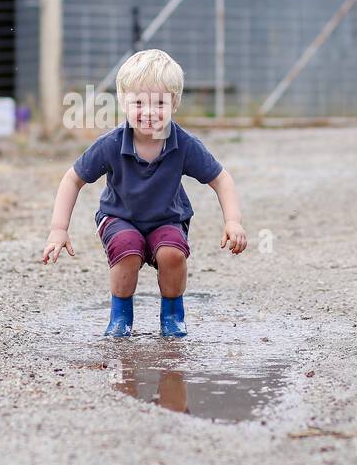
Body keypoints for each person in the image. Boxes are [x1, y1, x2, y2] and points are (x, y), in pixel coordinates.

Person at [41, 49, 246, 336]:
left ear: (174, 103)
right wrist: (58, 229)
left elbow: (221, 179)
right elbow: (72, 179)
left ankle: (172, 314)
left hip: (166, 219)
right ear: (124, 102)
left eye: (159, 103)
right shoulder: (111, 143)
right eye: (139, 102)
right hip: (119, 216)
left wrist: (233, 221)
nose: (149, 112)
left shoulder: (184, 144)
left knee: (172, 254)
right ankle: (120, 316)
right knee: (127, 248)